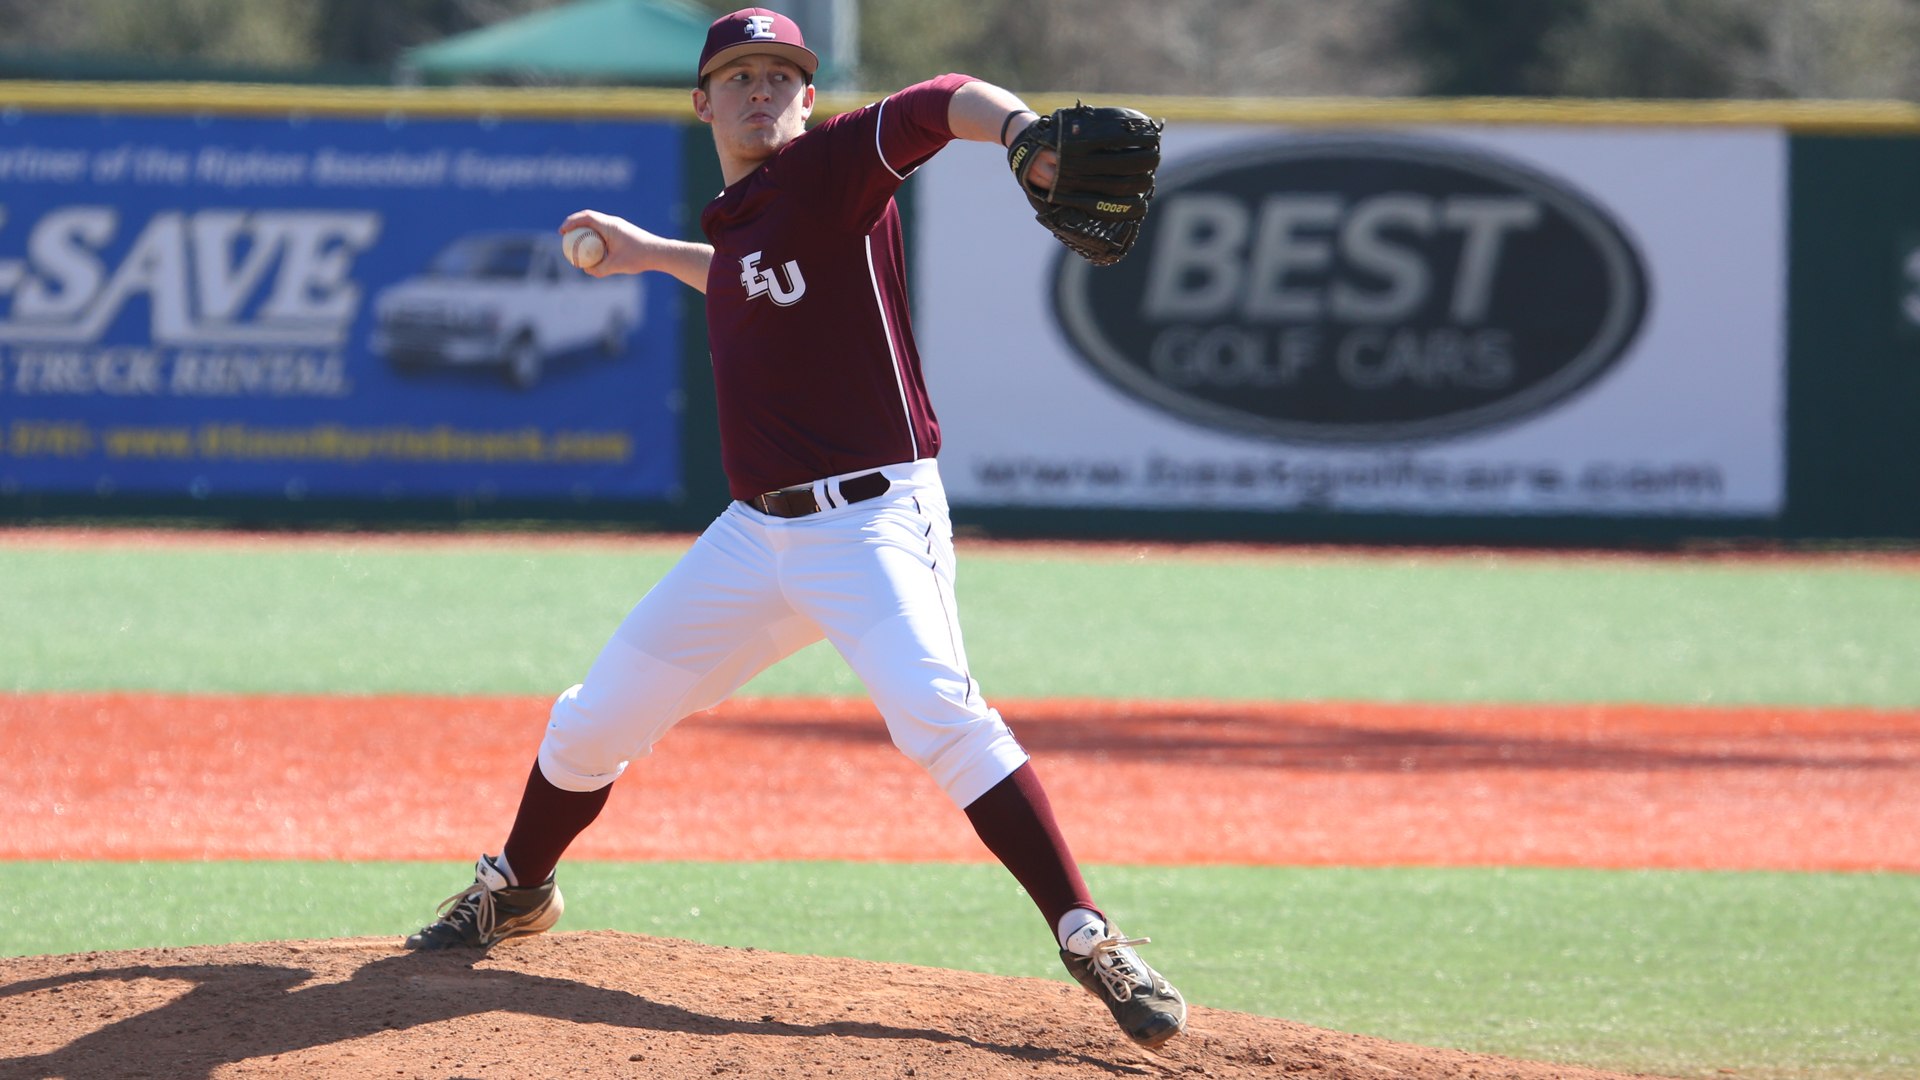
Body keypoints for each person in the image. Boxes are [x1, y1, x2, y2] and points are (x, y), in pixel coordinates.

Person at [402, 7, 1186, 1050]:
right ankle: (518, 888)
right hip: (752, 539)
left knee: (939, 714)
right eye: (740, 75)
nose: (761, 90)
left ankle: (1089, 937)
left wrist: (1017, 131)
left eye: (781, 75)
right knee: (591, 722)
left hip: (873, 524)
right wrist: (651, 254)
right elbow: (744, 274)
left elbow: (934, 101)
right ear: (703, 102)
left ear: (810, 98)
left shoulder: (829, 171)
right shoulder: (741, 220)